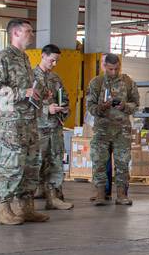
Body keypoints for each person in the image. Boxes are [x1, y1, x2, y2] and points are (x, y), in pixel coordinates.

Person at [0, 19, 47, 225]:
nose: (32, 34)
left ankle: (26, 208)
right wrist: (23, 92)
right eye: (28, 31)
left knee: (30, 165)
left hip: (29, 121)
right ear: (16, 33)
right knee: (10, 164)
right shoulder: (3, 57)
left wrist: (37, 94)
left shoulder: (24, 58)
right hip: (12, 123)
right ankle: (3, 209)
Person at [86, 53, 139, 206]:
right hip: (102, 130)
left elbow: (136, 103)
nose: (114, 72)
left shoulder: (128, 82)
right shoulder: (96, 83)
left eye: (117, 69)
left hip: (122, 130)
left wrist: (125, 106)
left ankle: (122, 194)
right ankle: (101, 193)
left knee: (123, 162)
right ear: (104, 67)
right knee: (99, 161)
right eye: (110, 69)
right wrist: (102, 107)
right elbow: (90, 107)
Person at [33, 44, 74, 211]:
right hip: (37, 129)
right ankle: (33, 193)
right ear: (43, 56)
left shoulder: (55, 79)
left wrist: (63, 108)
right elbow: (24, 106)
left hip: (54, 126)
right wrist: (46, 109)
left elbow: (65, 98)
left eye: (57, 61)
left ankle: (54, 196)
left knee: (56, 160)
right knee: (36, 162)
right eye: (52, 60)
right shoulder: (30, 77)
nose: (54, 64)